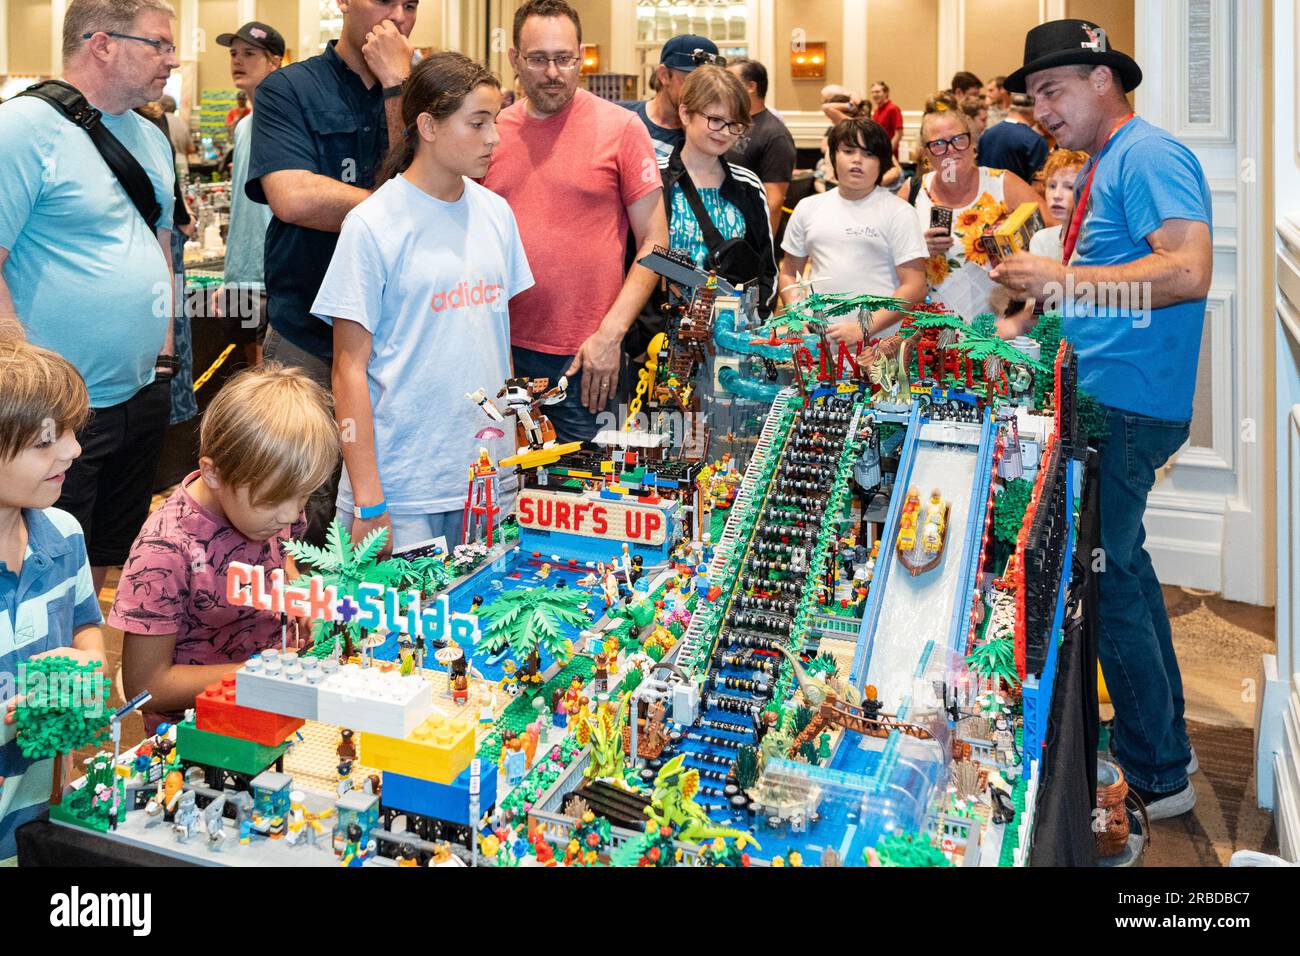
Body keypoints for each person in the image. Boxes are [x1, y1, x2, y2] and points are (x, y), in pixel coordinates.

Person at [994, 18, 1212, 819]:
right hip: (1108, 393)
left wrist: (1063, 275)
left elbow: (1188, 271)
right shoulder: (1104, 164)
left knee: (1109, 579)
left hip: (1126, 404)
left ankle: (1157, 774)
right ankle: (1163, 749)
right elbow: (1112, 282)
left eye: (1053, 90)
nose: (1041, 109)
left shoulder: (1147, 154)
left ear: (1102, 80)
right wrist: (1051, 293)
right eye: (1032, 96)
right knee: (1128, 573)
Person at [316, 52, 532, 554]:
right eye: (477, 123)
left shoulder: (497, 214)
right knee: (395, 632)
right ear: (428, 126)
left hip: (488, 479)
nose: (493, 137)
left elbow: (499, 347)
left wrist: (516, 452)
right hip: (403, 488)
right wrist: (369, 499)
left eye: (494, 122)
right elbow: (348, 369)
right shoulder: (373, 224)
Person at [0, 0, 180, 594]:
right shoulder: (22, 129)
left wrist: (164, 354)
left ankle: (82, 662)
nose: (173, 60)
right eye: (158, 44)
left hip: (140, 388)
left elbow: (160, 250)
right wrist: (22, 380)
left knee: (100, 550)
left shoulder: (151, 135)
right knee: (36, 556)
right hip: (52, 407)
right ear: (102, 43)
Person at [246, 0, 419, 544]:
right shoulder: (288, 90)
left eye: (410, 4)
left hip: (402, 341)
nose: (397, 14)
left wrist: (400, 88)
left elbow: (442, 189)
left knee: (390, 502)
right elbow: (293, 197)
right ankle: (296, 625)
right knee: (299, 501)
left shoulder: (426, 92)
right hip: (308, 337)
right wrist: (396, 208)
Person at [115, 364, 339, 736]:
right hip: (200, 732)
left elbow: (281, 558)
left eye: (302, 497)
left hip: (274, 701)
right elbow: (145, 688)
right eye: (275, 501)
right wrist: (264, 672)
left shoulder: (270, 510)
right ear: (214, 473)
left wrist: (296, 598)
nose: (291, 515)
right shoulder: (165, 551)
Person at [482, 0, 666, 442]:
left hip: (587, 358)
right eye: (538, 59)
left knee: (586, 501)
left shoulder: (621, 128)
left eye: (564, 58)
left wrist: (611, 333)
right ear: (513, 59)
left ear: (581, 55)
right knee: (500, 491)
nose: (552, 72)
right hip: (496, 351)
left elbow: (656, 243)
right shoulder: (490, 133)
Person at [0, 338, 106, 862]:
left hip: (39, 817)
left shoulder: (63, 536)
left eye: (69, 433)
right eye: (46, 443)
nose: (73, 450)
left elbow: (87, 627)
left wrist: (85, 665)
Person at [779, 117, 927, 342]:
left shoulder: (899, 212)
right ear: (833, 156)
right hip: (818, 344)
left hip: (880, 345)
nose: (857, 160)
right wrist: (796, 314)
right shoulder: (808, 207)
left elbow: (915, 287)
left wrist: (862, 328)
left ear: (882, 163)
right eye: (848, 151)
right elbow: (789, 272)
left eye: (869, 154)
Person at [651, 66, 776, 323]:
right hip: (660, 339)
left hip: (732, 337)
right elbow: (633, 260)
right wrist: (641, 343)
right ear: (686, 113)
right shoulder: (655, 179)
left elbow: (765, 270)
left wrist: (753, 329)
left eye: (734, 124)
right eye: (716, 120)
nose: (725, 132)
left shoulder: (748, 185)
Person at [912, 92, 1040, 322]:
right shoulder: (914, 190)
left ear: (972, 141)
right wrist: (917, 247)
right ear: (926, 153)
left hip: (998, 327)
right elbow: (888, 254)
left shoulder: (1003, 183)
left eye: (958, 139)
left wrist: (1015, 247)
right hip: (932, 329)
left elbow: (1055, 237)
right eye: (938, 144)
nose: (950, 149)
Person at [218, 20, 284, 368]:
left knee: (269, 388)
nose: (237, 61)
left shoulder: (290, 124)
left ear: (275, 61)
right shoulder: (244, 126)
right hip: (242, 277)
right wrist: (232, 277)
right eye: (233, 54)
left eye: (249, 53)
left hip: (273, 275)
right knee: (247, 378)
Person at [619, 33, 721, 160]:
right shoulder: (621, 118)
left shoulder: (707, 135)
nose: (702, 91)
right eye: (693, 81)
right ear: (664, 75)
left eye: (708, 84)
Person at [725, 57, 796, 236]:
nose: (724, 87)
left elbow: (774, 201)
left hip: (751, 236)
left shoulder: (774, 134)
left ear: (751, 87)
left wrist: (763, 251)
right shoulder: (731, 124)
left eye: (730, 81)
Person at [976, 92, 1049, 185]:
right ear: (1035, 111)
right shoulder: (1035, 141)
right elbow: (1039, 185)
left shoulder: (986, 135)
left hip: (987, 196)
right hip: (1020, 198)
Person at [868, 80, 903, 157]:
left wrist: (887, 152)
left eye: (877, 92)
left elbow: (898, 134)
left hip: (889, 155)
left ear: (886, 93)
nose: (874, 95)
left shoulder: (893, 109)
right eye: (872, 92)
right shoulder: (876, 111)